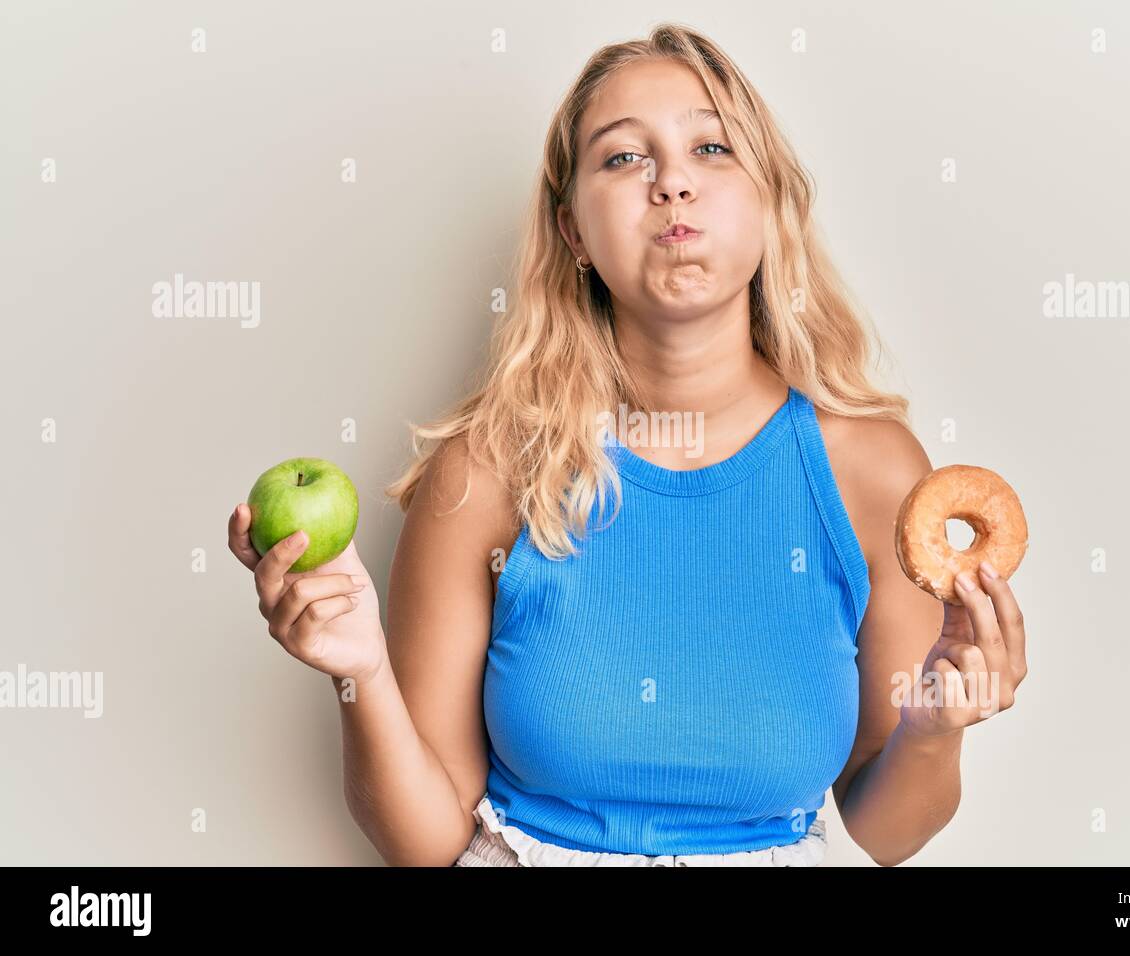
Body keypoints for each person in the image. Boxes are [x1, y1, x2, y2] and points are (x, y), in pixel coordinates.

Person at [226, 22, 1029, 867]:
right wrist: (361, 672)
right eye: (622, 158)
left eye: (711, 148)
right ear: (572, 230)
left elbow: (882, 829)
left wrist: (937, 729)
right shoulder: (483, 474)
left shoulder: (872, 471)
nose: (672, 183)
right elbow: (424, 843)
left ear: (767, 202)